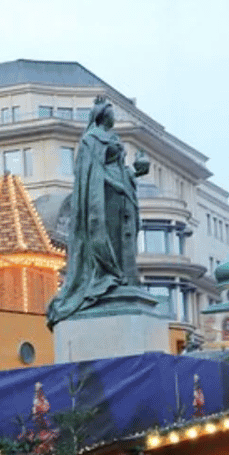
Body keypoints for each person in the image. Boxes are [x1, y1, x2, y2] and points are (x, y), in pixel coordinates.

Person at [46, 95, 152, 329]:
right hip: (104, 199)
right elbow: (92, 172)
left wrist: (135, 173)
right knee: (108, 238)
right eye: (111, 112)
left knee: (125, 240)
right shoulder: (91, 139)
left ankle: (123, 279)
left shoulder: (111, 138)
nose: (114, 116)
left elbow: (117, 169)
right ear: (103, 115)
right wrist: (117, 185)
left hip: (121, 197)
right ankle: (108, 277)